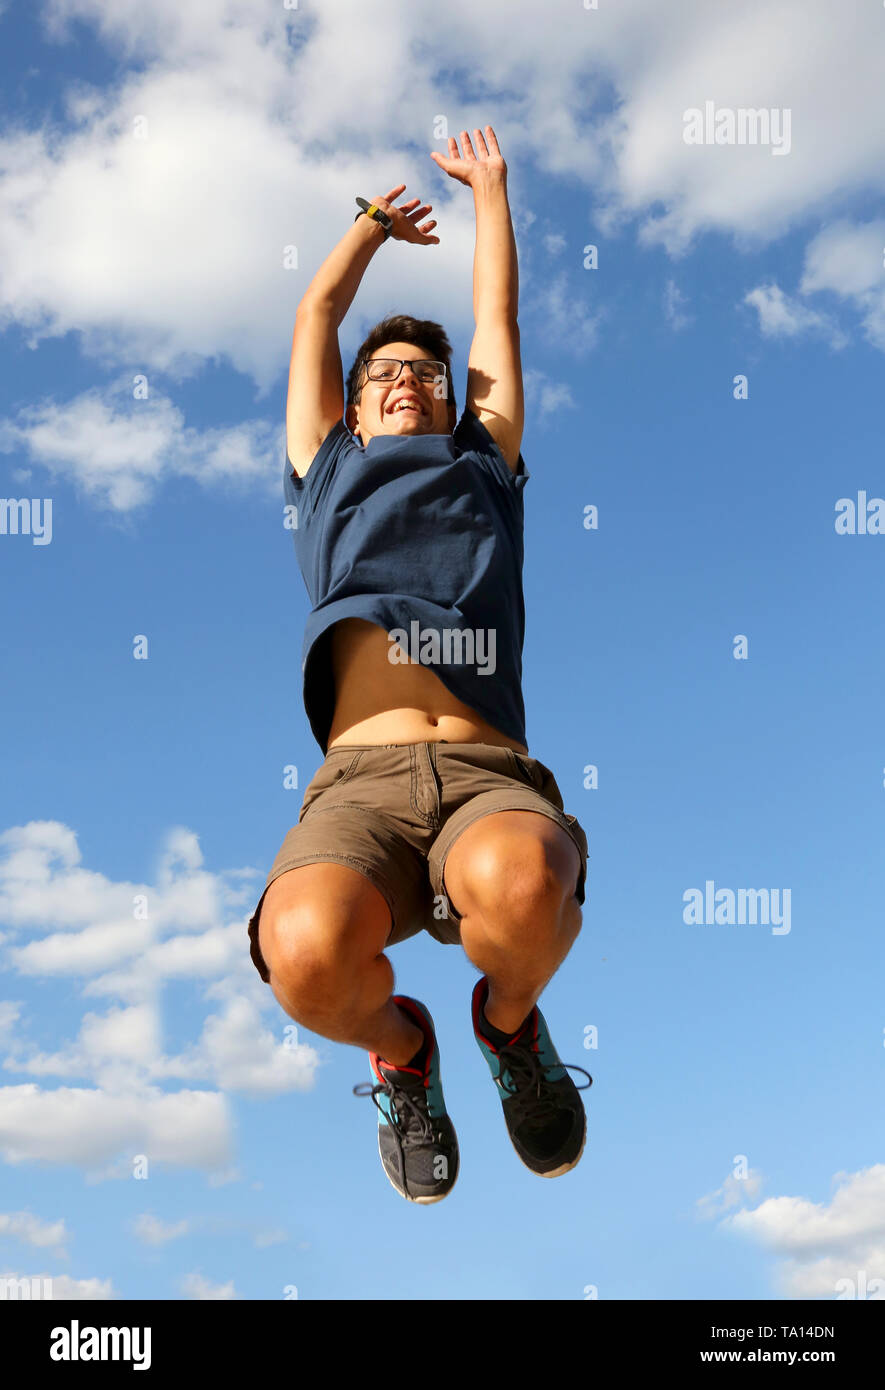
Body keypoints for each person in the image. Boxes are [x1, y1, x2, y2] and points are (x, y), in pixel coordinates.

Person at [247, 126, 591, 1203]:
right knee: (301, 952)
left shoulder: (482, 463)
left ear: (452, 402)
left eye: (427, 377)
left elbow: (497, 322)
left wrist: (492, 193)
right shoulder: (328, 473)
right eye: (388, 374)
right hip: (361, 784)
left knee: (528, 887)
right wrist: (368, 231)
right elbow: (316, 317)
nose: (409, 385)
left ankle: (508, 1025)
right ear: (352, 407)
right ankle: (404, 1053)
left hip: (487, 774)